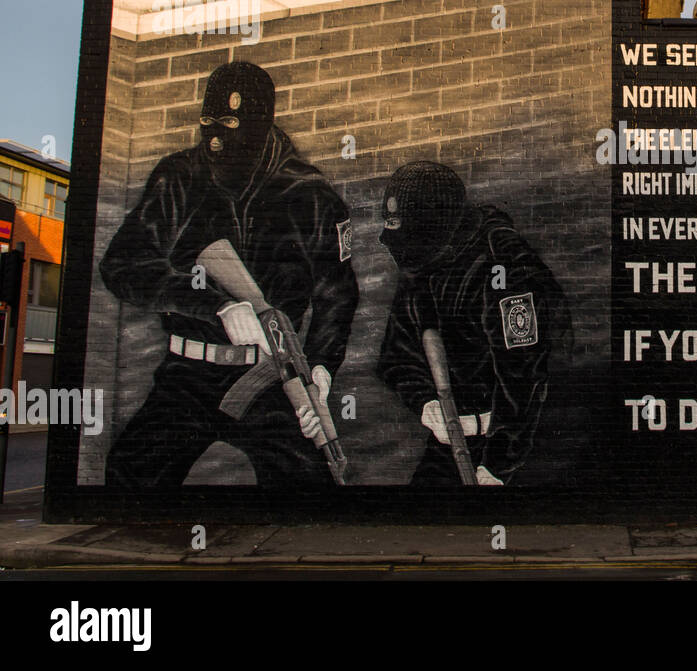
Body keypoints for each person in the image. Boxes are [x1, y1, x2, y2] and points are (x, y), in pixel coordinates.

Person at [99, 61, 358, 487]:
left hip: (271, 376)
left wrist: (321, 369)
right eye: (207, 123)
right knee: (129, 477)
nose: (215, 136)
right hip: (186, 375)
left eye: (230, 123)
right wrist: (214, 305)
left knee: (310, 485)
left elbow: (337, 293)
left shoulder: (310, 195)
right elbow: (122, 265)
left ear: (260, 123)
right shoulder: (179, 178)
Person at [375, 162, 568, 486]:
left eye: (398, 223)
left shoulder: (503, 267)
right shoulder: (421, 264)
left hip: (518, 445)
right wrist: (426, 402)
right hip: (453, 442)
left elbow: (524, 377)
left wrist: (497, 466)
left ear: (429, 222)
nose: (387, 237)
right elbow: (397, 355)